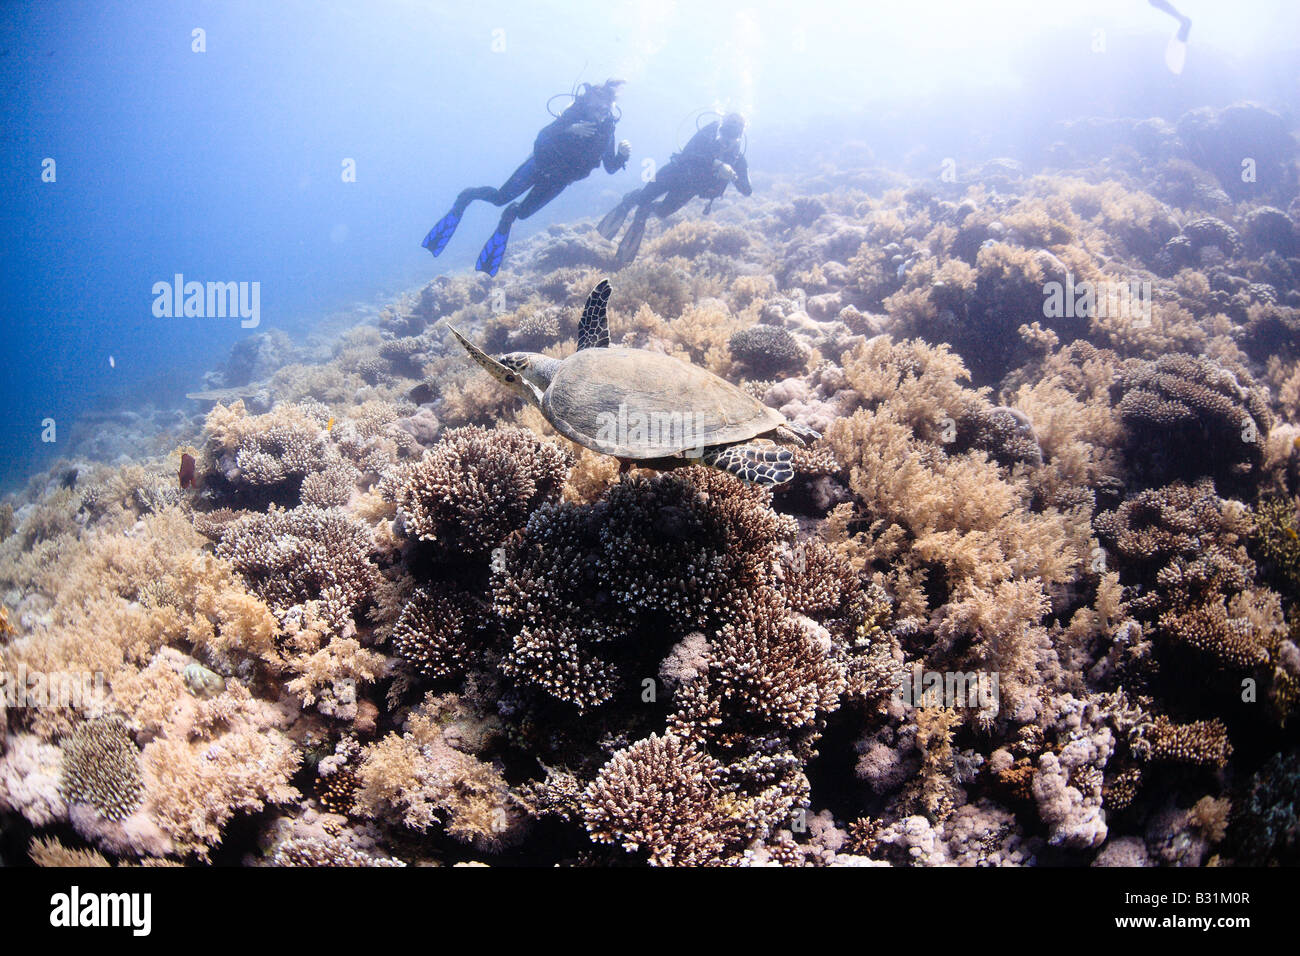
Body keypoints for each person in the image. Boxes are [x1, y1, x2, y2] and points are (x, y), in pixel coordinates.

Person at [423, 79, 631, 276]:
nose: (600, 114)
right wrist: (569, 128)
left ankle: (506, 221)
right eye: (596, 108)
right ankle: (466, 197)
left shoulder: (606, 133)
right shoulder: (572, 116)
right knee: (499, 198)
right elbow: (542, 136)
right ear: (588, 103)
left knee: (519, 213)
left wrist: (622, 155)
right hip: (538, 165)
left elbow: (610, 167)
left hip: (558, 181)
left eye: (605, 110)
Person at [598, 112, 752, 269]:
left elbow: (747, 190)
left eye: (734, 134)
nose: (728, 138)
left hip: (687, 190)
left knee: (661, 212)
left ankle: (643, 213)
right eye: (725, 131)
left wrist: (734, 176)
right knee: (643, 197)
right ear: (720, 128)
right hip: (673, 173)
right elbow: (687, 154)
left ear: (739, 136)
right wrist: (717, 164)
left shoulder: (737, 159)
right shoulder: (706, 136)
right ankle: (631, 199)